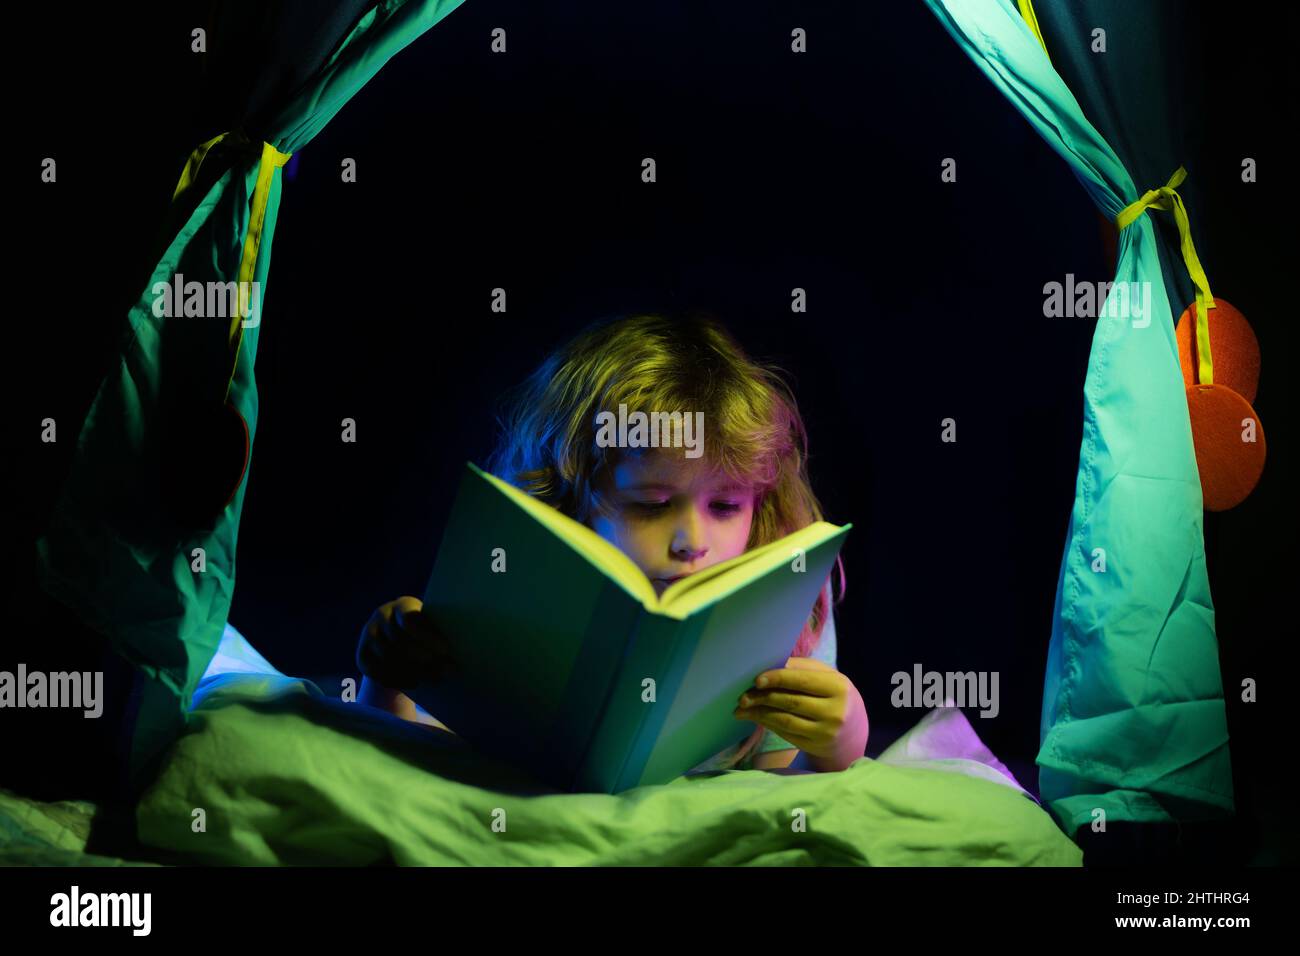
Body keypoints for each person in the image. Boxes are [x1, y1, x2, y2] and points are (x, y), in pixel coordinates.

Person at [356, 312, 868, 773]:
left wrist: (839, 743)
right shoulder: (512, 594)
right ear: (569, 498)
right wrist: (386, 679)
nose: (693, 542)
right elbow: (413, 766)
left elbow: (784, 796)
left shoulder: (788, 611)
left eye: (726, 507)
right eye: (652, 504)